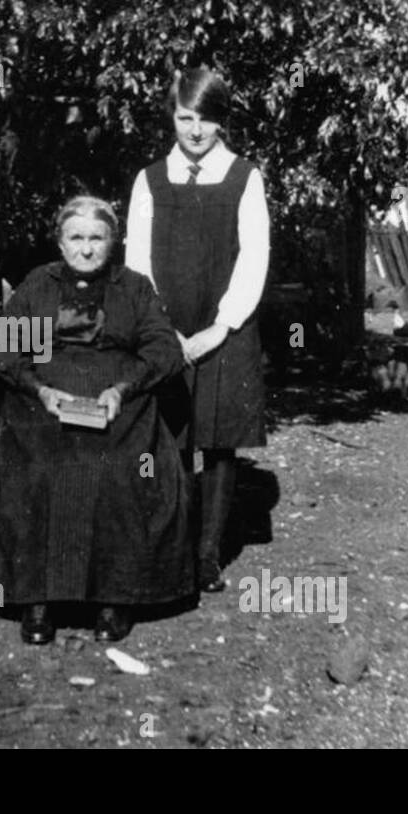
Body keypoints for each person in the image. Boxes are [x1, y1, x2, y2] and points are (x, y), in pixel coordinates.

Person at [0, 196, 189, 645]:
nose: (86, 249)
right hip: (47, 399)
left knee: (117, 468)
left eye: (97, 238)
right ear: (60, 241)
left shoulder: (133, 287)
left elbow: (163, 350)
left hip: (118, 400)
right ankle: (37, 598)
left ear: (113, 242)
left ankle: (115, 597)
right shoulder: (39, 284)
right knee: (38, 464)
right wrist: (40, 389)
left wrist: (123, 389)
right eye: (76, 238)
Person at [125, 67, 270, 594]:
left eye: (207, 119)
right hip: (166, 326)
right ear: (172, 116)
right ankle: (178, 546)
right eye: (186, 117)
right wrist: (159, 327)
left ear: (221, 122)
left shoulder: (243, 177)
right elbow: (137, 260)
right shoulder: (150, 179)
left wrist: (221, 327)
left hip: (227, 327)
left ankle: (209, 553)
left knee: (220, 438)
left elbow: (255, 257)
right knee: (175, 435)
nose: (195, 130)